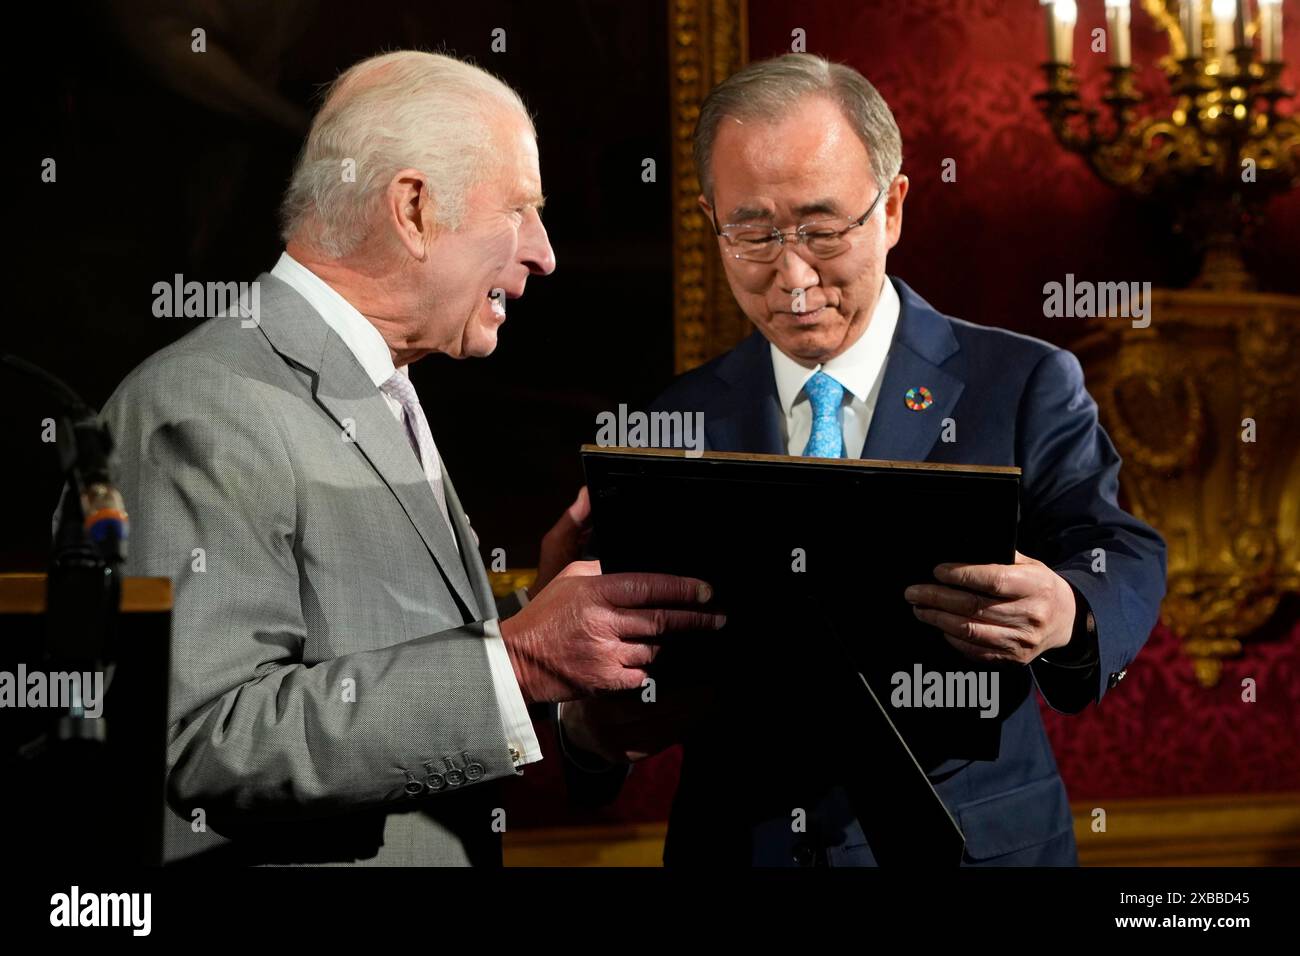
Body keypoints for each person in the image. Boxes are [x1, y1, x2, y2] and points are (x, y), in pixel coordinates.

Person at [100, 50, 724, 866]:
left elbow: (377, 670)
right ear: (414, 208)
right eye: (520, 209)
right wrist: (519, 659)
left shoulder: (379, 384)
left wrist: (540, 631)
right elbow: (207, 739)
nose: (544, 253)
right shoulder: (203, 401)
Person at [560, 53, 1167, 867]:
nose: (794, 275)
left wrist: (1066, 608)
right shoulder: (669, 421)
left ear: (893, 209)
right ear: (711, 220)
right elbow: (608, 682)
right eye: (753, 232)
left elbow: (1120, 548)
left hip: (975, 840)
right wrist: (590, 726)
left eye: (821, 229)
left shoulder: (1020, 382)